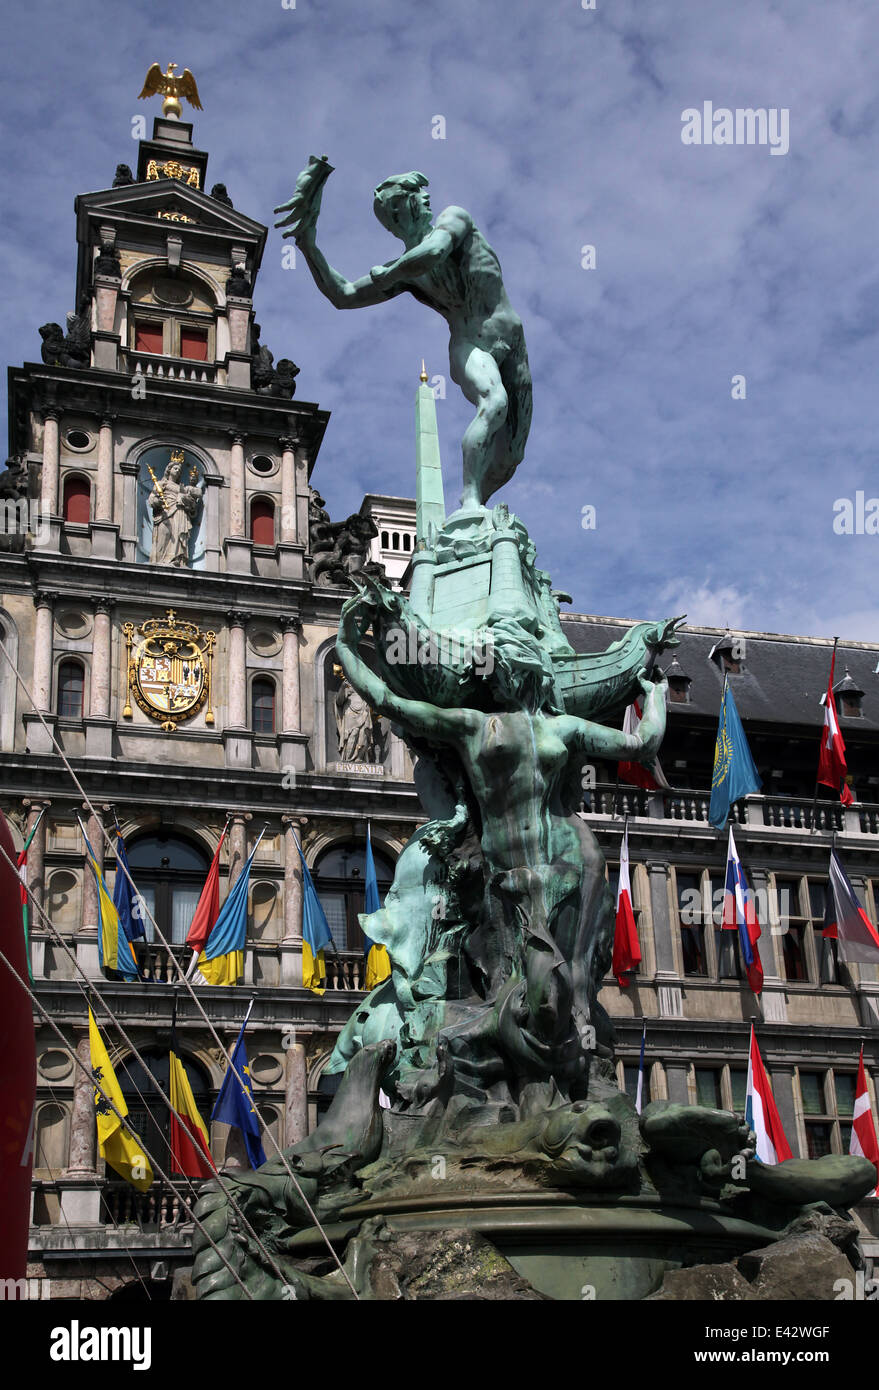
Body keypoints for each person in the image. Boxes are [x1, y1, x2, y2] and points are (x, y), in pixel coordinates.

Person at [335, 592, 668, 1080]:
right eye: (506, 666)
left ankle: (578, 1077)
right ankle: (521, 1080)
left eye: (520, 666)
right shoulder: (473, 724)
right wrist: (345, 644)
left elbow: (642, 745)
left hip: (572, 853)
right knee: (510, 980)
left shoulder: (561, 726)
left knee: (573, 974)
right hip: (501, 865)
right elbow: (388, 702)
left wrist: (654, 694)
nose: (513, 674)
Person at [275, 167, 532, 511]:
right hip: (469, 342)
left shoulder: (453, 220)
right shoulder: (407, 271)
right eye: (417, 194)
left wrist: (392, 273)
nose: (427, 197)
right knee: (494, 402)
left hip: (511, 338)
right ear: (400, 210)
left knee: (511, 455)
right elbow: (344, 295)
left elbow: (435, 252)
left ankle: (478, 519)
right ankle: (470, 502)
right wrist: (308, 245)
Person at [148, 459, 203, 567]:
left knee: (178, 536)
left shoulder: (183, 488)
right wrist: (157, 502)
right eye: (175, 468)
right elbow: (152, 498)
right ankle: (159, 560)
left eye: (179, 470)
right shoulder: (161, 484)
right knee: (164, 535)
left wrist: (188, 501)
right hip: (165, 513)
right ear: (169, 470)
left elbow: (195, 499)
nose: (178, 471)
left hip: (180, 513)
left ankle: (177, 560)